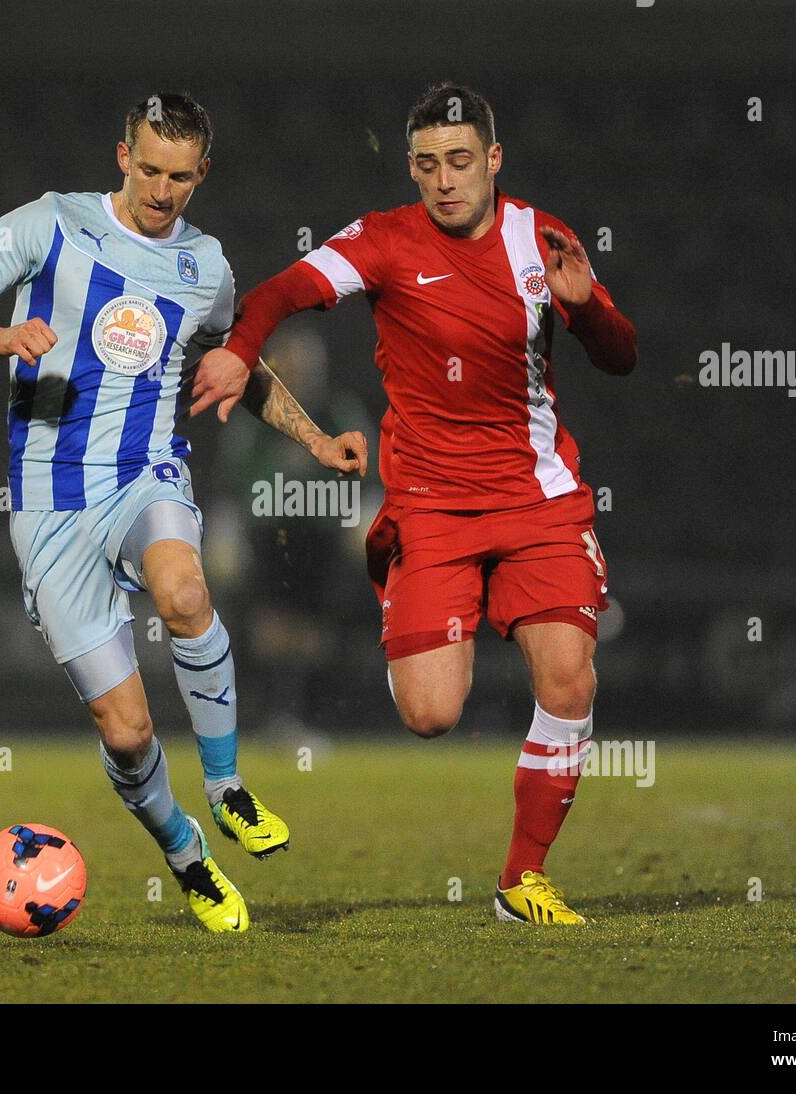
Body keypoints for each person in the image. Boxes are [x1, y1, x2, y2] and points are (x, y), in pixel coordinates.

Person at [0, 93, 364, 933]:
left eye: (180, 178)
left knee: (186, 592)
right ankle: (189, 857)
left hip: (143, 474)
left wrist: (315, 437)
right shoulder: (51, 224)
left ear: (202, 175)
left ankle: (227, 788)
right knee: (126, 730)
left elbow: (239, 368)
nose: (161, 191)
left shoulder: (206, 267)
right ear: (123, 156)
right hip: (48, 500)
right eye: (149, 170)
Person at [192, 81, 638, 926]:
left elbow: (622, 356)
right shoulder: (385, 240)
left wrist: (587, 315)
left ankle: (522, 882)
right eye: (428, 164)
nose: (445, 180)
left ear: (494, 161)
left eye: (462, 161)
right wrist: (240, 354)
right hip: (431, 505)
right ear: (410, 167)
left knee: (570, 679)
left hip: (539, 500)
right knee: (432, 713)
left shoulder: (543, 241)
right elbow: (281, 291)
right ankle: (404, 577)